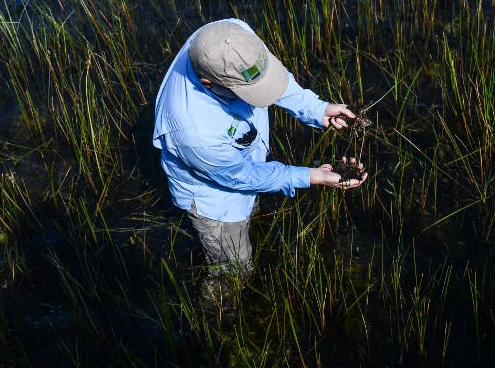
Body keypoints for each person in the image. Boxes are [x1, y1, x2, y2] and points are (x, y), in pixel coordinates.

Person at [152, 18, 367, 293]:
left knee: (253, 214)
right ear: (208, 83)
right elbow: (242, 177)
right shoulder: (193, 130)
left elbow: (270, 79)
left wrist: (317, 109)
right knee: (234, 269)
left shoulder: (232, 35)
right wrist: (314, 176)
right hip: (216, 201)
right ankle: (222, 321)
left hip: (245, 163)